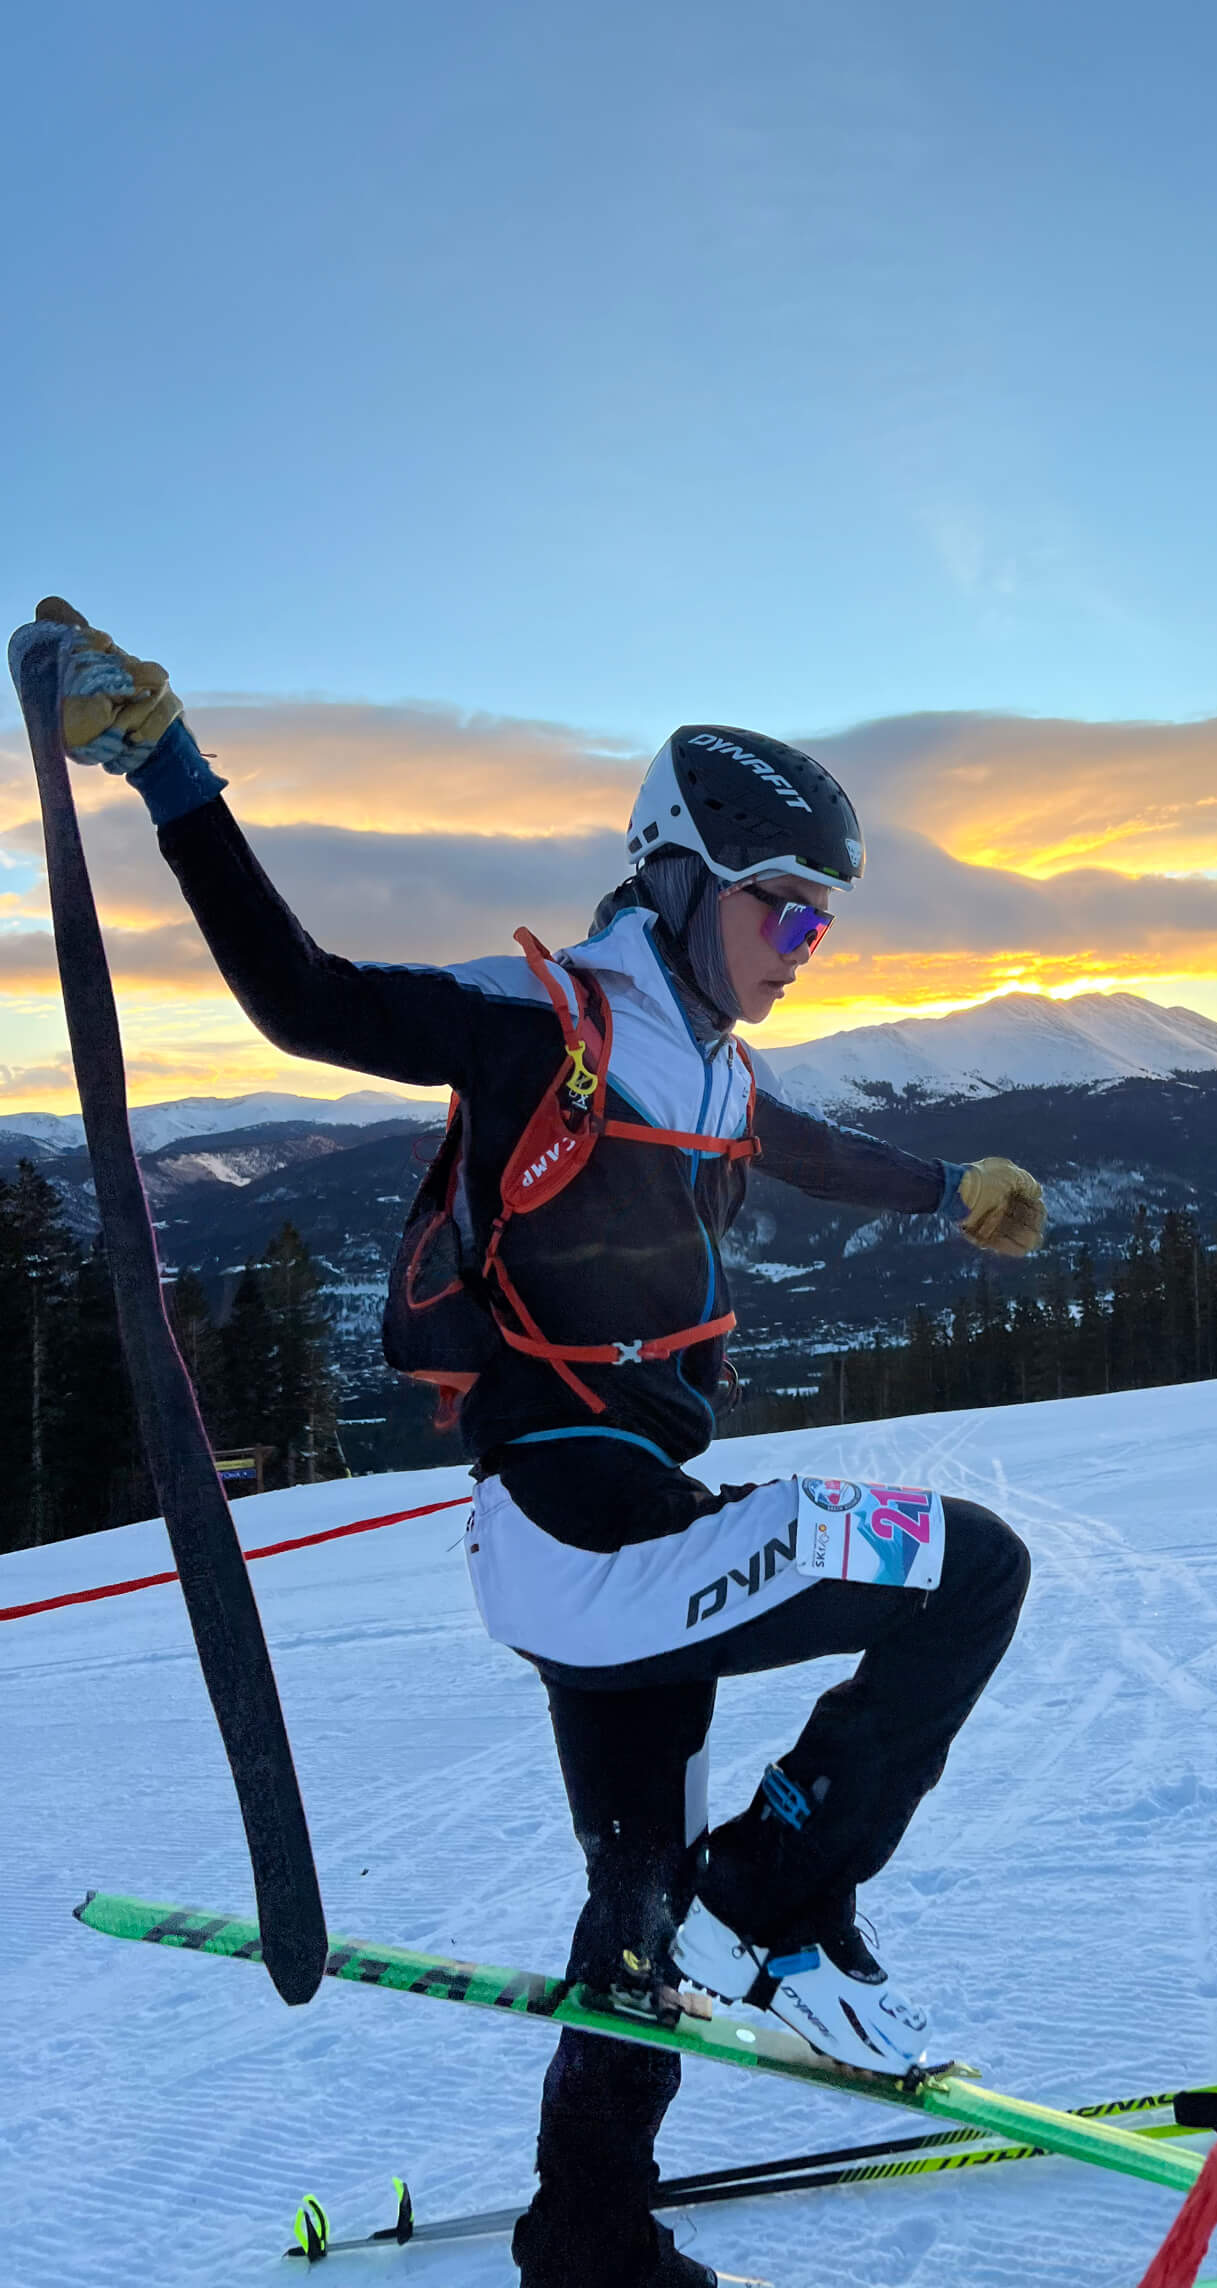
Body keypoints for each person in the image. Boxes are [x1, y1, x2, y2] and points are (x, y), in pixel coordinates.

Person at [27, 600, 1046, 2288]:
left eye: (822, 917)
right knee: (977, 1568)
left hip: (618, 1539)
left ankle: (589, 2238)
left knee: (634, 1921)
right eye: (781, 904)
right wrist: (168, 763)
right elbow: (298, 998)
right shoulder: (540, 1024)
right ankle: (787, 1887)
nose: (808, 942)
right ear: (674, 876)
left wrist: (940, 1190)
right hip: (589, 1540)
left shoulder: (711, 1058)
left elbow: (772, 1138)